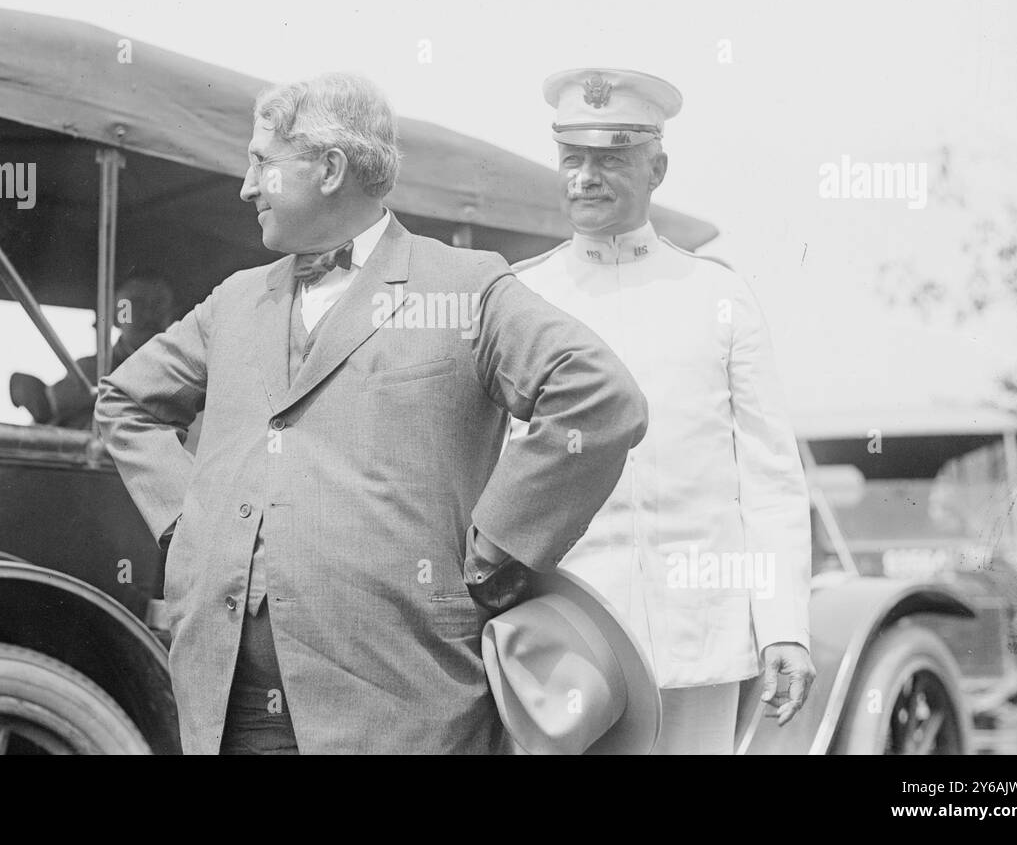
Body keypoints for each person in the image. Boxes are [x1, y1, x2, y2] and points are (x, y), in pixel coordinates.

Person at [94, 72, 647, 754]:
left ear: (329, 167)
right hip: (226, 704)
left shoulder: (464, 285)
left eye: (262, 161)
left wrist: (496, 546)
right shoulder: (233, 301)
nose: (245, 185)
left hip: (405, 707)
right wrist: (191, 528)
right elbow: (125, 402)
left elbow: (598, 397)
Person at [510, 67, 815, 753]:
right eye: (572, 157)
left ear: (658, 167)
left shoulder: (719, 297)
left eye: (611, 157)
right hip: (570, 639)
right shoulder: (521, 300)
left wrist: (784, 625)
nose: (585, 177)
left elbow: (770, 481)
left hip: (698, 640)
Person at [10, 274, 175, 429]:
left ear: (171, 315)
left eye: (159, 304)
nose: (148, 314)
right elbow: (43, 409)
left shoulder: (184, 372)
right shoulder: (90, 371)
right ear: (117, 317)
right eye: (135, 304)